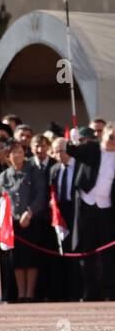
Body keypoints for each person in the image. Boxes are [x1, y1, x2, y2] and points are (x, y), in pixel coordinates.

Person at [0, 140, 48, 302]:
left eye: (21, 152)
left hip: (30, 221)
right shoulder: (4, 175)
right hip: (12, 224)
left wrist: (29, 213)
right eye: (14, 153)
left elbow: (40, 195)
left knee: (30, 259)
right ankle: (21, 293)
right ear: (8, 156)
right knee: (16, 260)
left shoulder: (33, 171)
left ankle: (30, 293)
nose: (18, 155)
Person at [65, 125, 115, 301]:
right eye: (111, 136)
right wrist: (73, 139)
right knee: (86, 250)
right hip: (87, 204)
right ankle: (89, 291)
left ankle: (110, 292)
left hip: (107, 208)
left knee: (109, 253)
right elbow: (72, 151)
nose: (112, 140)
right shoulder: (93, 147)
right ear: (104, 135)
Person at [48, 137, 82, 300]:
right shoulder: (54, 170)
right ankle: (65, 293)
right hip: (60, 213)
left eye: (62, 150)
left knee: (77, 251)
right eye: (56, 151)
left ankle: (79, 291)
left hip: (76, 211)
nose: (59, 154)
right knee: (62, 253)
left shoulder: (79, 166)